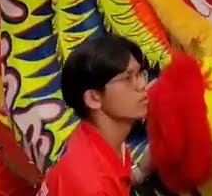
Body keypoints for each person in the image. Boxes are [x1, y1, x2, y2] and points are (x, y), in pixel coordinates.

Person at [38, 33, 150, 195]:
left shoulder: (105, 141)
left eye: (139, 74)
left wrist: (141, 170)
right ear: (93, 98)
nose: (142, 85)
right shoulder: (93, 185)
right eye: (127, 78)